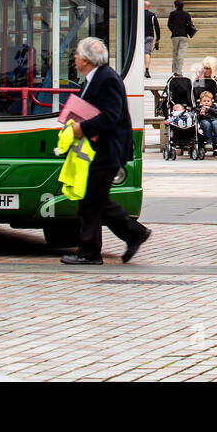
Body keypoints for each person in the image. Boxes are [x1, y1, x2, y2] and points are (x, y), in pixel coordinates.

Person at [60, 37, 151, 265]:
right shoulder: (95, 78)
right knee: (95, 201)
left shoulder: (106, 79)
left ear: (87, 59)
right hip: (99, 150)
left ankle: (91, 252)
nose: (75, 58)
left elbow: (110, 116)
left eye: (77, 54)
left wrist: (82, 127)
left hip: (108, 150)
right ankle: (133, 234)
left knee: (92, 202)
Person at [167, 0, 195, 76]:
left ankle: (175, 70)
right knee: (181, 54)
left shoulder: (172, 14)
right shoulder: (186, 14)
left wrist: (173, 30)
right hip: (183, 35)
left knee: (175, 53)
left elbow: (169, 24)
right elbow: (190, 24)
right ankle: (179, 71)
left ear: (175, 6)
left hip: (175, 36)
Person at [196, 89, 217, 154]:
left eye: (208, 101)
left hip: (214, 120)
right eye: (204, 101)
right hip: (205, 121)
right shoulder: (199, 108)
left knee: (215, 123)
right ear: (201, 102)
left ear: (211, 102)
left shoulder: (214, 107)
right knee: (206, 124)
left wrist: (210, 109)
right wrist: (201, 113)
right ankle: (209, 141)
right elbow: (198, 118)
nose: (206, 102)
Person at [143, 0, 160, 79]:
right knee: (147, 53)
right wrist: (158, 38)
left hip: (140, 36)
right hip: (149, 35)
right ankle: (146, 70)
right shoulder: (152, 15)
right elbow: (157, 27)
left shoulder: (139, 14)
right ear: (149, 7)